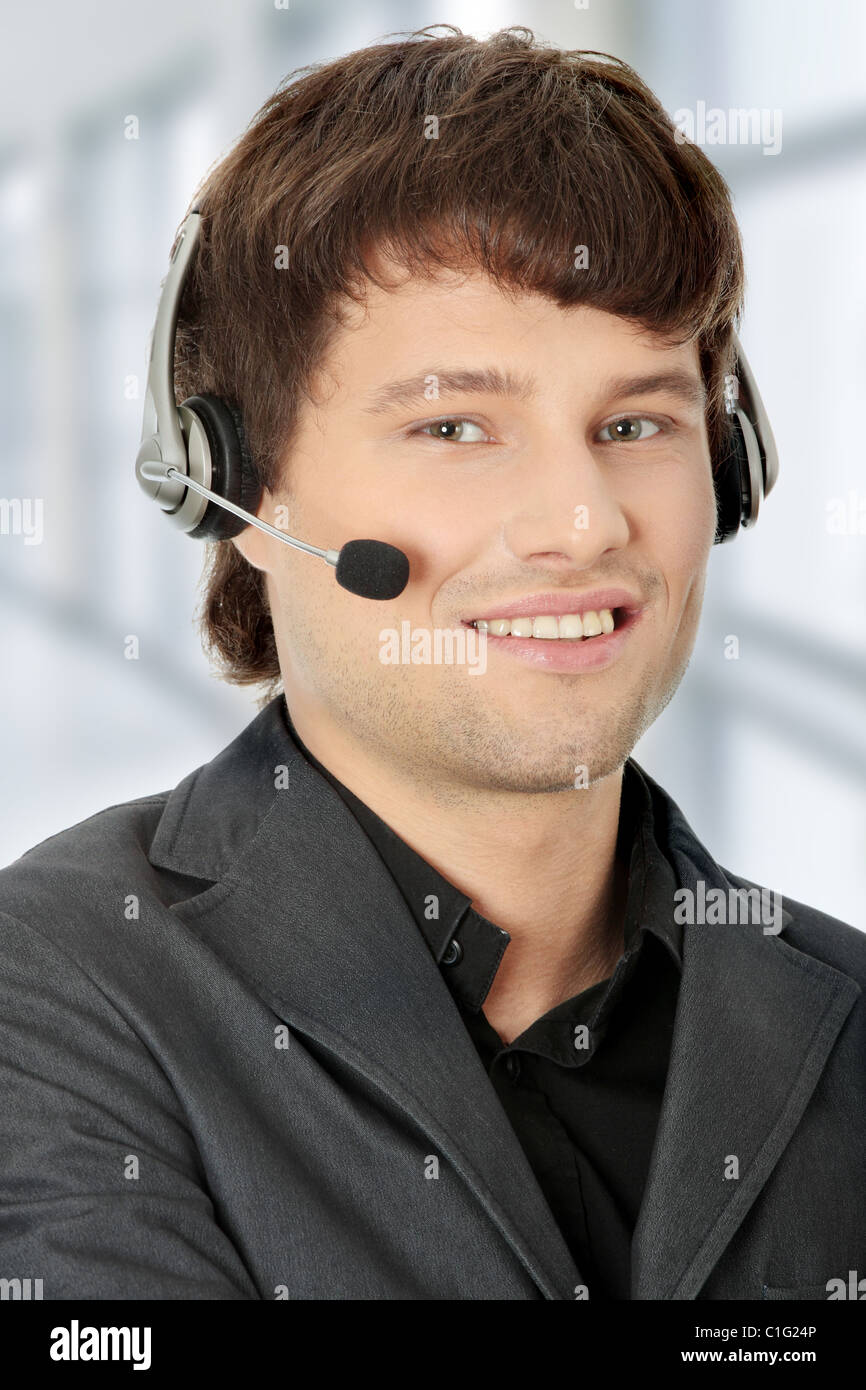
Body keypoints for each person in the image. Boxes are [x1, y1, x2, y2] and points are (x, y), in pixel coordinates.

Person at [0, 25, 863, 1303]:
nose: (581, 521)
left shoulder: (839, 1011)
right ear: (230, 485)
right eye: (454, 425)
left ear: (727, 471)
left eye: (634, 423)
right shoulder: (57, 988)